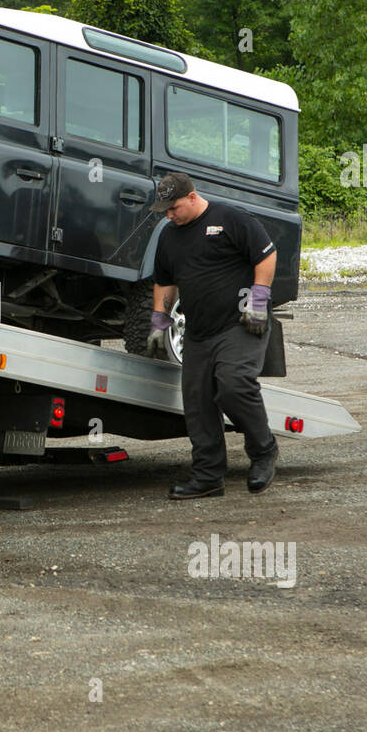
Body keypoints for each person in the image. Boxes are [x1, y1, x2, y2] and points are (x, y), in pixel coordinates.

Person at [147, 173, 279, 499]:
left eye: (173, 207)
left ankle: (263, 450)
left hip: (241, 324)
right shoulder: (168, 237)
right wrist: (159, 320)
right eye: (164, 210)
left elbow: (266, 255)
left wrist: (259, 299)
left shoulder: (230, 219)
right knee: (198, 403)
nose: (168, 215)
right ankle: (207, 476)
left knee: (233, 385)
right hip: (199, 333)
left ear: (192, 197)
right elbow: (165, 281)